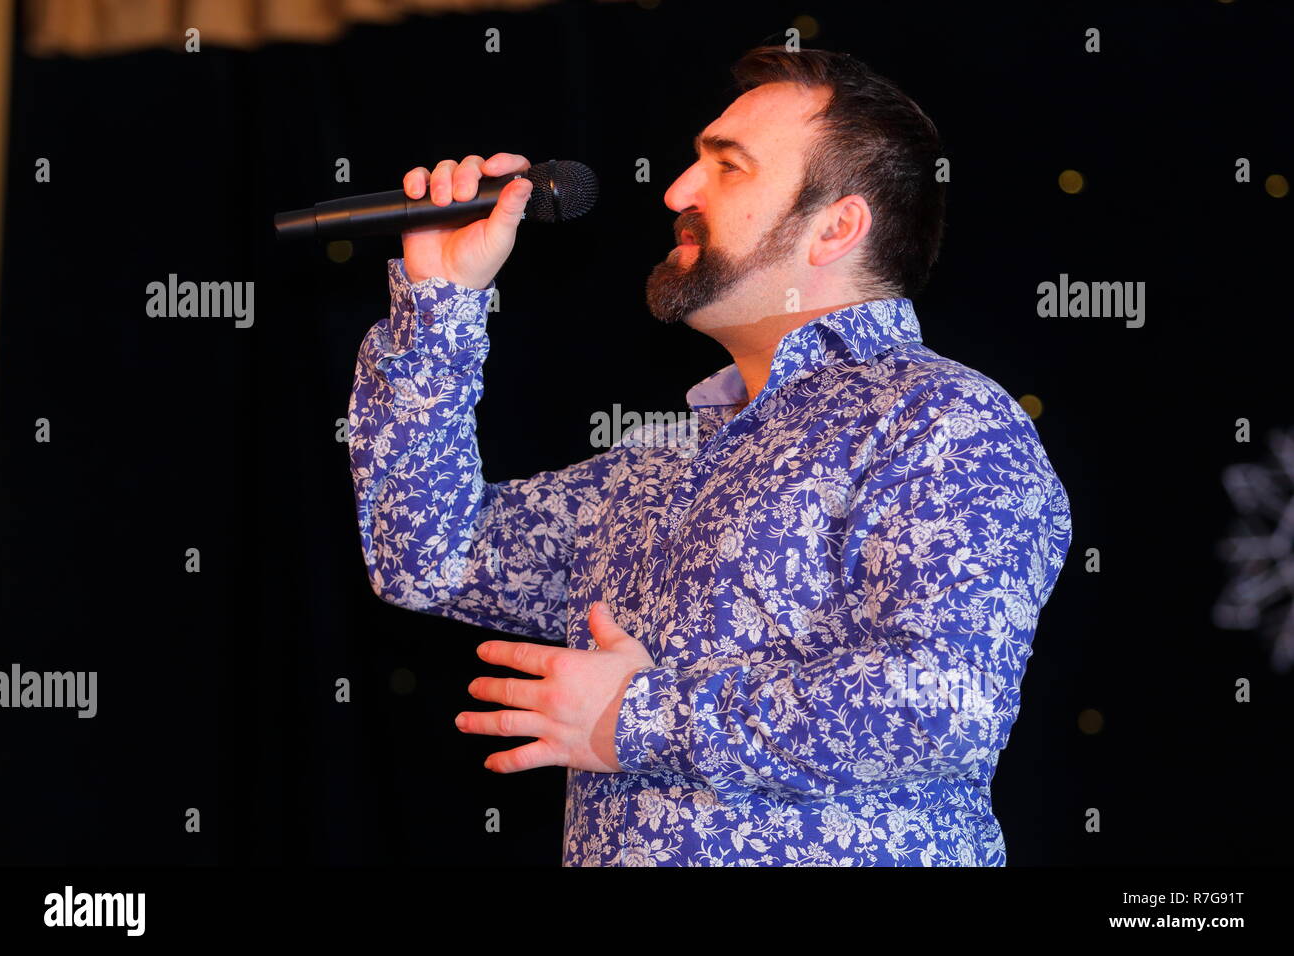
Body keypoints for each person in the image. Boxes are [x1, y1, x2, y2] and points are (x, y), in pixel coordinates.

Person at [347, 45, 1072, 866]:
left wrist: (640, 717)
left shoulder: (943, 420)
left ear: (837, 225)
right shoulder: (655, 466)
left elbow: (944, 702)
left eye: (726, 168)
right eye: (695, 160)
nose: (678, 191)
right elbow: (424, 558)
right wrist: (440, 306)